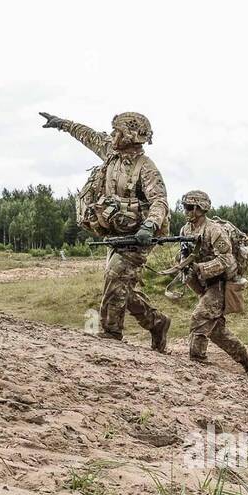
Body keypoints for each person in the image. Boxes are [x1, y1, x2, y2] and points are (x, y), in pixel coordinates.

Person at [41, 111, 171, 350]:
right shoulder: (111, 151)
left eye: (117, 131)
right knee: (123, 288)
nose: (112, 135)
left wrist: (149, 225)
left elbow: (160, 201)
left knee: (114, 276)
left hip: (138, 237)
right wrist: (63, 124)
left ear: (130, 136)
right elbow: (88, 135)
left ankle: (111, 333)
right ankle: (157, 322)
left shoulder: (147, 168)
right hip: (116, 233)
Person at [177, 191, 248, 374]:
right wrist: (183, 265)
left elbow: (226, 260)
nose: (186, 210)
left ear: (201, 208)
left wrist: (201, 268)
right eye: (185, 206)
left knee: (199, 318)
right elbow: (184, 253)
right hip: (204, 284)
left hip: (220, 283)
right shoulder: (185, 230)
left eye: (189, 207)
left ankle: (198, 361)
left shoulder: (214, 230)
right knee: (217, 332)